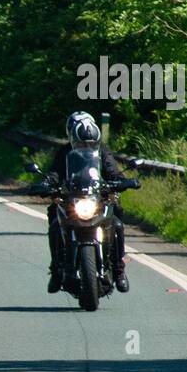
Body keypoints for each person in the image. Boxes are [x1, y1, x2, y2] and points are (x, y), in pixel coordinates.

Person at [46, 111, 129, 293]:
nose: (86, 146)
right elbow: (55, 172)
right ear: (73, 138)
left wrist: (121, 181)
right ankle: (57, 269)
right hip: (72, 198)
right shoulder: (64, 152)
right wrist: (48, 183)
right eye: (82, 143)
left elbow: (112, 171)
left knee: (117, 223)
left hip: (98, 197)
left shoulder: (103, 151)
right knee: (54, 222)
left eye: (90, 143)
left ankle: (119, 270)